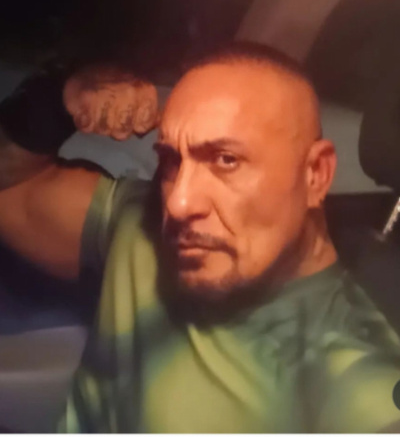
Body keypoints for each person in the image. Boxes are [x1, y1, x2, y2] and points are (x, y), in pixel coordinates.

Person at [1, 43, 400, 433]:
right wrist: (58, 97)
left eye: (226, 160)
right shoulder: (143, 230)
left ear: (316, 175)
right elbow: (11, 189)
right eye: (171, 160)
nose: (179, 203)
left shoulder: (359, 386)